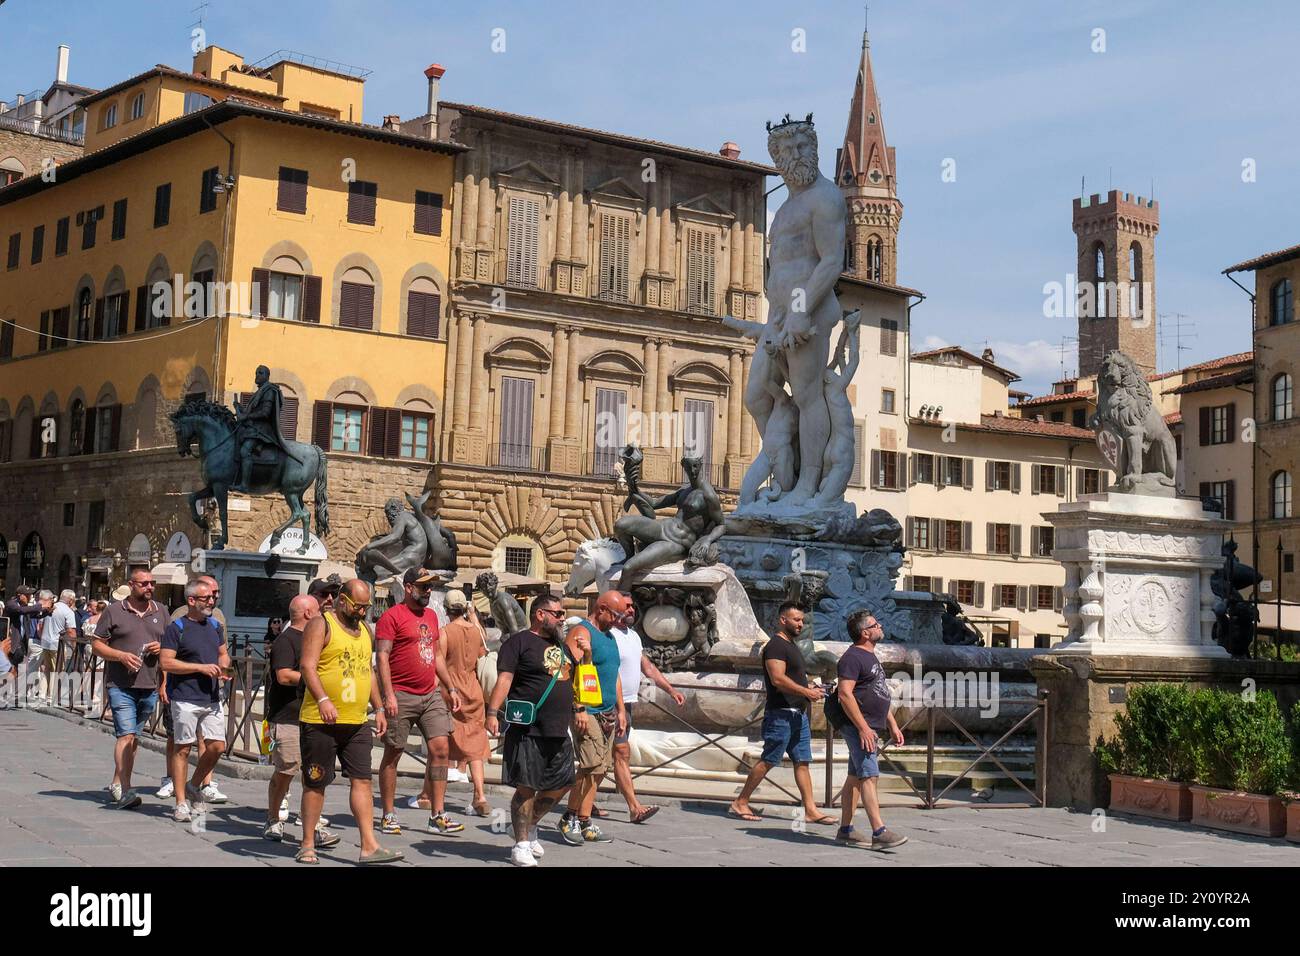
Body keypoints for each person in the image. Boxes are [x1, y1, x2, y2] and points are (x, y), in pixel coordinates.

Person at [297, 579, 402, 865]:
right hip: (320, 721)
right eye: (358, 606)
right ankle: (307, 843)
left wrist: (378, 707)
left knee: (363, 781)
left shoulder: (365, 630)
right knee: (316, 781)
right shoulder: (322, 624)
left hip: (356, 722)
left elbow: (366, 671)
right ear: (342, 600)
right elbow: (307, 665)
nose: (362, 611)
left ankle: (369, 845)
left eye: (366, 606)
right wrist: (322, 700)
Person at [485, 592, 577, 867]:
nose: (562, 619)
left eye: (563, 614)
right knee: (527, 787)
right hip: (529, 728)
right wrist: (492, 712)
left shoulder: (562, 646)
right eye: (557, 614)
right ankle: (520, 844)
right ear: (540, 615)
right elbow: (505, 678)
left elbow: (575, 680)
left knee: (563, 784)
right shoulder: (519, 643)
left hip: (560, 728)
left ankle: (532, 823)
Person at [728, 602, 836, 825]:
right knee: (769, 759)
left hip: (798, 714)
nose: (801, 624)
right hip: (782, 714)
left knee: (802, 761)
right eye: (796, 620)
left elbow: (794, 677)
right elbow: (777, 679)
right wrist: (806, 691)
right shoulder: (776, 646)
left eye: (802, 620)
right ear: (782, 620)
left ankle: (810, 810)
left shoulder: (792, 645)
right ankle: (740, 801)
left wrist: (812, 688)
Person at [374, 568, 464, 836]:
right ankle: (388, 813)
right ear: (409, 587)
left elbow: (436, 655)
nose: (428, 592)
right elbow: (381, 657)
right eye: (423, 587)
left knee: (441, 751)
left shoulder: (432, 616)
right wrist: (388, 694)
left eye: (430, 588)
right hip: (401, 693)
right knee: (393, 753)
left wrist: (451, 686)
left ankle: (437, 813)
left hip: (430, 693)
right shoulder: (391, 617)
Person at [262, 594, 339, 848]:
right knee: (285, 771)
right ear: (307, 613)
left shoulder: (317, 639)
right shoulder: (287, 640)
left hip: (314, 716)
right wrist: (313, 680)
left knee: (315, 775)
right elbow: (283, 676)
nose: (322, 614)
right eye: (318, 610)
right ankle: (273, 818)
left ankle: (313, 827)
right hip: (289, 716)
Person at [557, 590, 628, 846]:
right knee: (588, 768)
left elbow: (614, 675)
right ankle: (569, 817)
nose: (620, 620)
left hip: (608, 711)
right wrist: (579, 708)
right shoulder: (581, 633)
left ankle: (585, 820)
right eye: (617, 614)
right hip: (590, 712)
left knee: (599, 770)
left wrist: (621, 710)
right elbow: (570, 671)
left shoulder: (609, 637)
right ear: (601, 609)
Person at [91, 569, 166, 810]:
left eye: (152, 583)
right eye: (144, 583)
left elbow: (172, 646)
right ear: (132, 585)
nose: (150, 587)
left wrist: (161, 648)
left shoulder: (161, 611)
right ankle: (125, 790)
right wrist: (121, 656)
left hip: (149, 684)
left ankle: (116, 782)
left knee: (134, 739)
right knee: (125, 736)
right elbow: (96, 646)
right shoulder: (114, 611)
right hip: (120, 685)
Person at [835, 610, 907, 850]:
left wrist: (892, 724)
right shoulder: (852, 658)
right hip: (859, 726)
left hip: (868, 725)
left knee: (855, 777)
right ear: (865, 632)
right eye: (876, 625)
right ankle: (879, 831)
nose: (881, 626)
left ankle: (845, 830)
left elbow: (877, 691)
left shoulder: (870, 657)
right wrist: (864, 728)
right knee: (870, 775)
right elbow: (845, 694)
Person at [159, 579, 230, 823]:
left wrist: (224, 666)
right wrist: (199, 668)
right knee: (183, 748)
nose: (211, 601)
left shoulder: (215, 626)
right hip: (185, 696)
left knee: (217, 746)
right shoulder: (176, 627)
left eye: (212, 598)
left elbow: (223, 654)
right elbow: (166, 662)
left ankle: (194, 784)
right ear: (191, 600)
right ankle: (180, 803)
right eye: (206, 598)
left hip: (211, 696)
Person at [608, 604, 684, 824]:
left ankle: (584, 804)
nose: (632, 610)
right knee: (618, 753)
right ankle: (634, 807)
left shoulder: (633, 636)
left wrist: (670, 690)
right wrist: (619, 708)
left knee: (615, 755)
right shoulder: (608, 636)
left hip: (626, 705)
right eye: (627, 606)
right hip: (610, 705)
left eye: (633, 607)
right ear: (613, 609)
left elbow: (647, 667)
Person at [440, 588, 490, 816]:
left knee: (439, 745)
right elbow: (482, 656)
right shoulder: (476, 631)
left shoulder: (445, 632)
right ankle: (479, 795)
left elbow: (438, 664)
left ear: (446, 609)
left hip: (451, 692)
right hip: (474, 690)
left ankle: (430, 795)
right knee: (475, 745)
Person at [4, 585, 51, 707]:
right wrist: (41, 605)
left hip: (21, 643)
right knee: (9, 669)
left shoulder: (25, 607)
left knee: (20, 669)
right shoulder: (11, 604)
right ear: (20, 595)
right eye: (28, 595)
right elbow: (22, 611)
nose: (30, 597)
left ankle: (15, 696)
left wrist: (47, 611)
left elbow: (33, 615)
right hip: (10, 643)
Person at [37, 590, 78, 704]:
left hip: (45, 642)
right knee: (57, 670)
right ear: (70, 600)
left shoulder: (50, 607)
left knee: (46, 668)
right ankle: (51, 696)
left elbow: (40, 626)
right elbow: (71, 631)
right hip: (57, 645)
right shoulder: (68, 611)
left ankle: (42, 694)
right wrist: (74, 647)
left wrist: (43, 637)